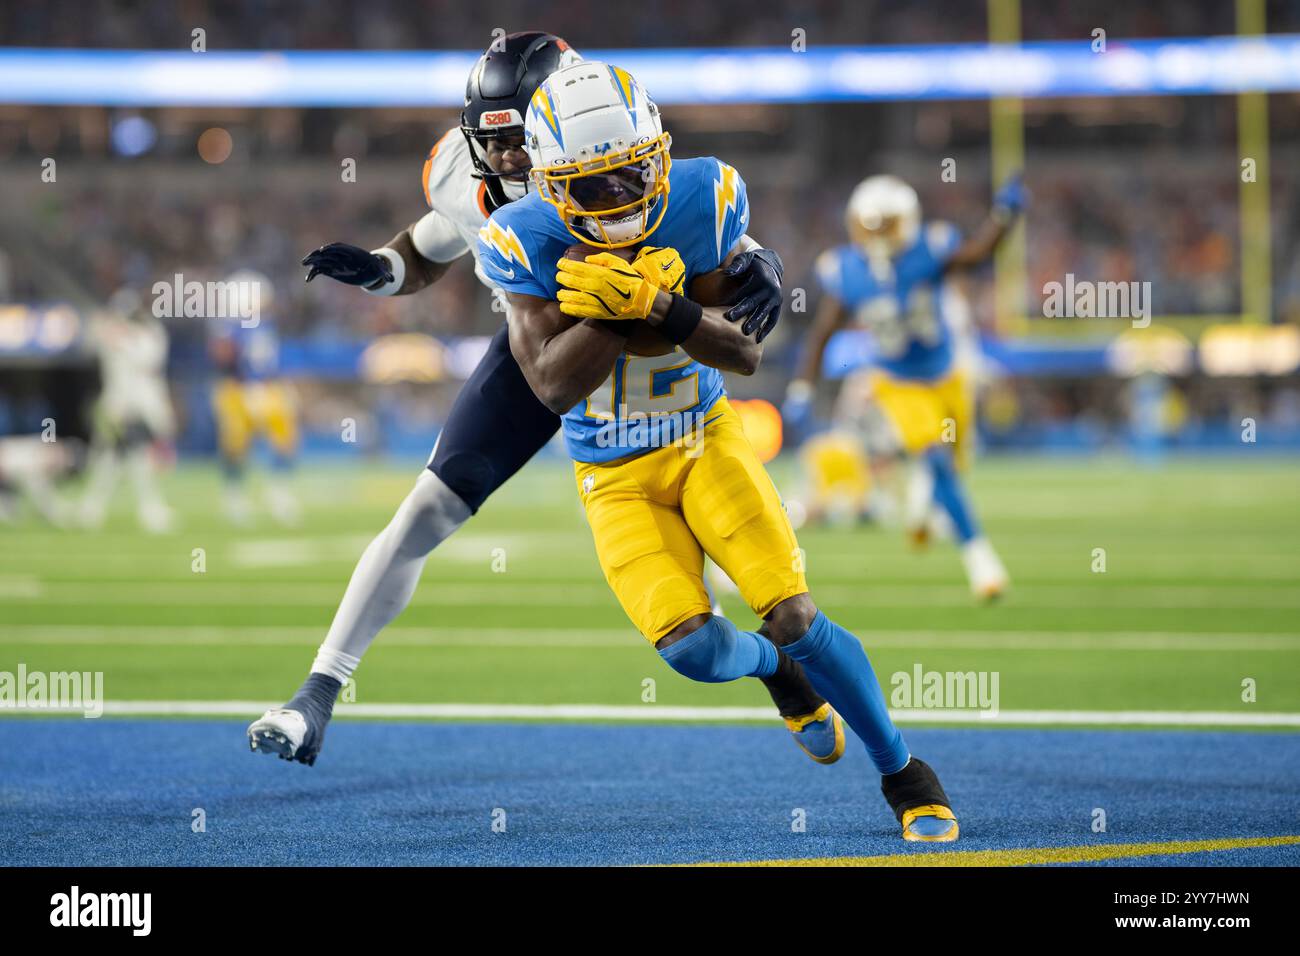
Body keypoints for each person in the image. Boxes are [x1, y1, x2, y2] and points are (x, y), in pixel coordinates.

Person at [248, 34, 840, 770]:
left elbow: (705, 223)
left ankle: (784, 644)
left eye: (517, 140)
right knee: (427, 509)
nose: (506, 159)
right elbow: (440, 238)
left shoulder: (607, 154)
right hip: (550, 351)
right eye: (492, 142)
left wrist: (761, 259)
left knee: (716, 548)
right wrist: (381, 269)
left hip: (656, 350)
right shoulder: (465, 172)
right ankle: (319, 690)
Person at [480, 61, 957, 841]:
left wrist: (658, 305)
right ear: (550, 184)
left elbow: (742, 356)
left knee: (794, 612)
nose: (622, 198)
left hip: (705, 437)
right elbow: (551, 386)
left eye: (633, 172)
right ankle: (780, 675)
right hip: (613, 474)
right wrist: (627, 309)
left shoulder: (703, 198)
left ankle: (904, 771)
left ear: (660, 153)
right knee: (693, 650)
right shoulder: (521, 238)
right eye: (593, 185)